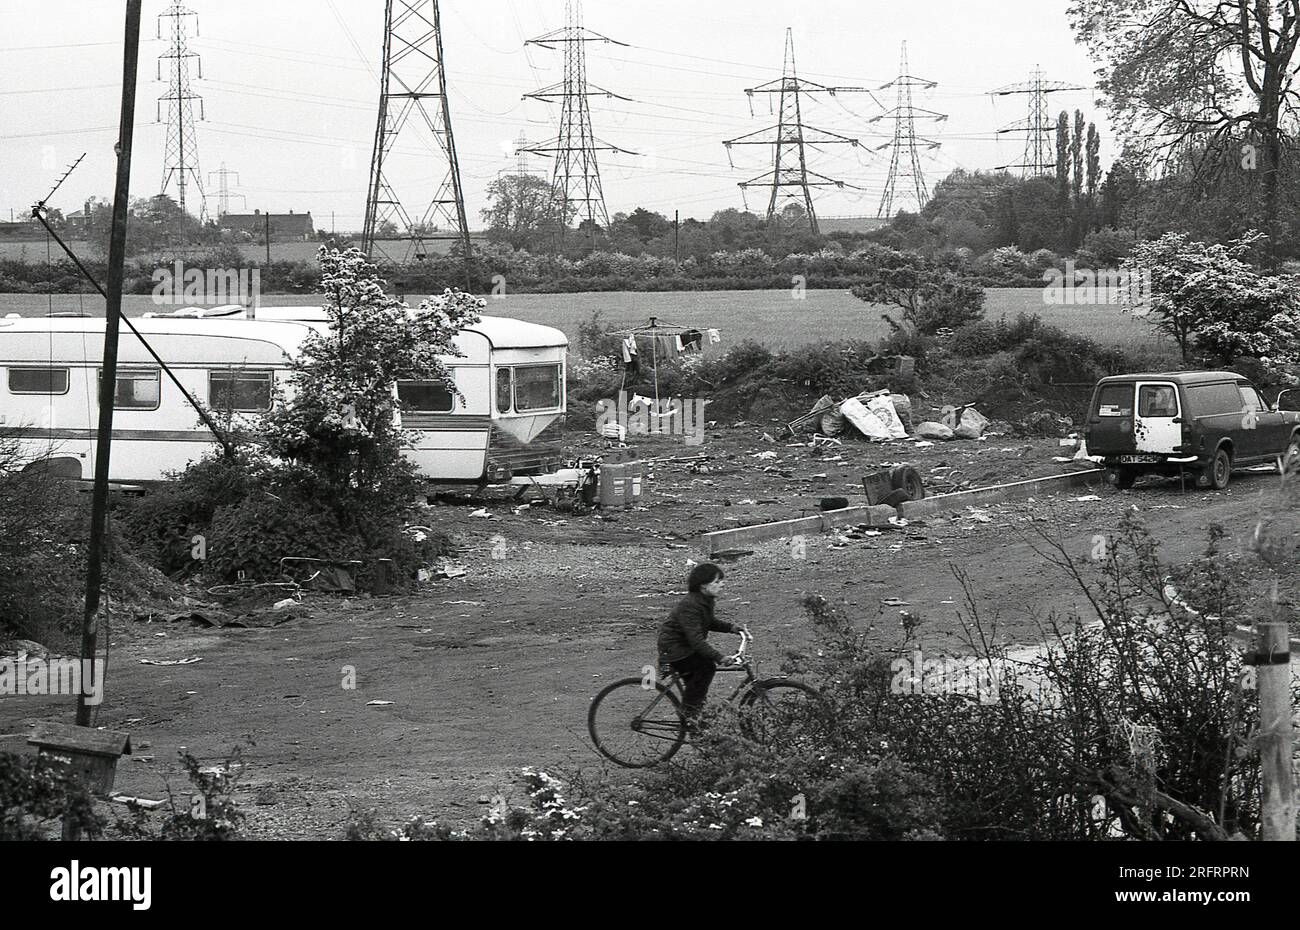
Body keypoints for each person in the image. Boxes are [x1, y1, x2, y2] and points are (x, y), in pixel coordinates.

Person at [657, 563, 744, 720]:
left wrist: (731, 628)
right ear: (703, 585)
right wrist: (719, 657)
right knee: (705, 667)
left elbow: (709, 622)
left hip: (684, 647)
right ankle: (688, 714)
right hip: (674, 649)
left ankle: (696, 723)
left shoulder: (704, 600)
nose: (722, 584)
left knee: (698, 689)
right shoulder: (690, 605)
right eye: (717, 582)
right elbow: (696, 640)